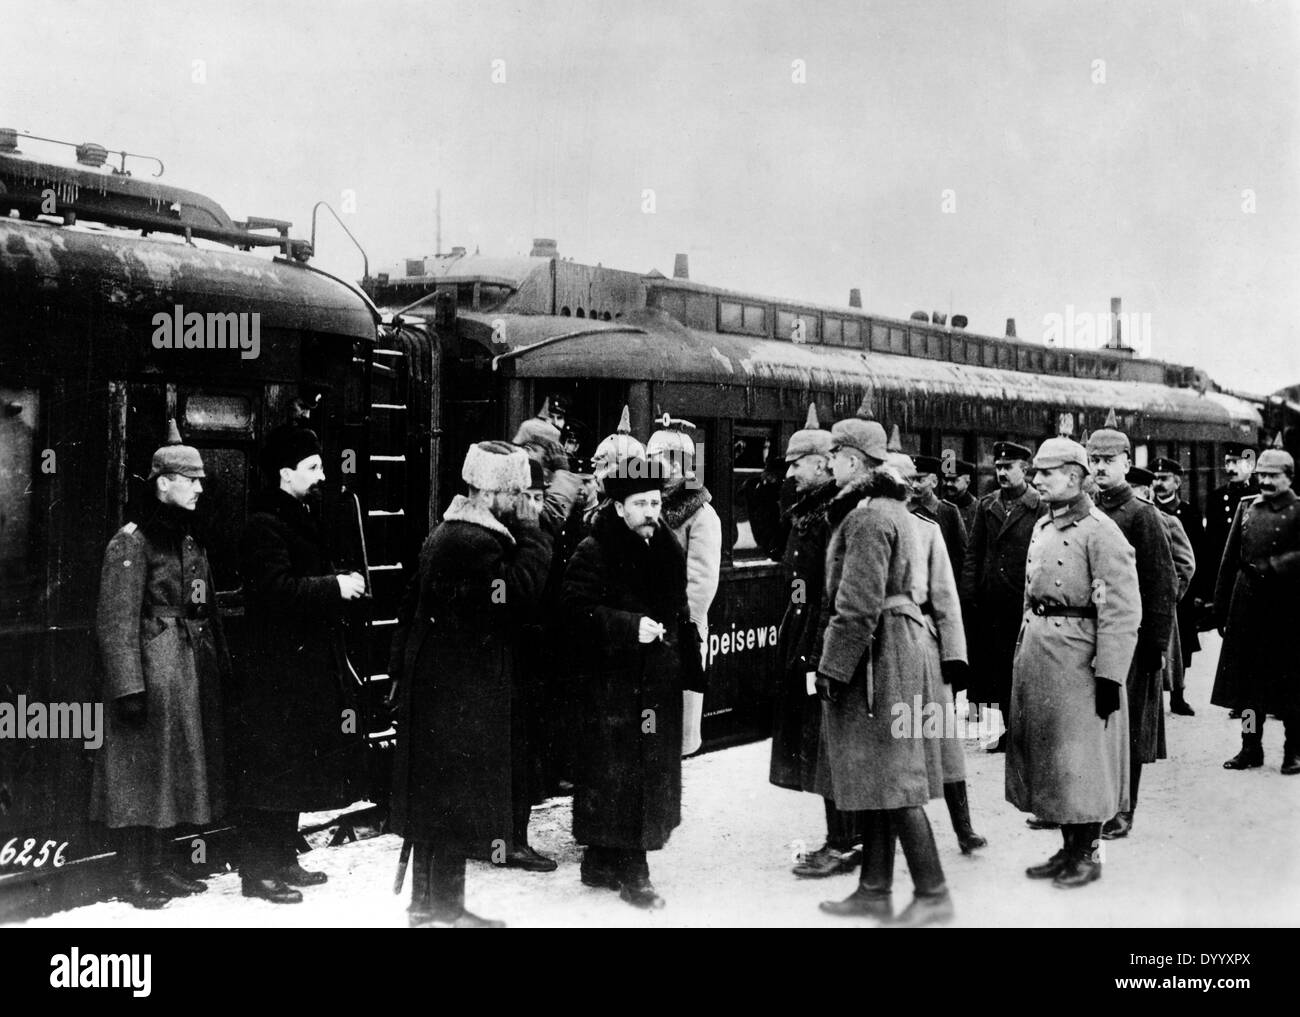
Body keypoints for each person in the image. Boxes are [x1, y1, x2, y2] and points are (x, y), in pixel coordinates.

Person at [389, 441, 554, 926]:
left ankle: (430, 907)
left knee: (438, 804)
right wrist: (532, 532)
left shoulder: (452, 533)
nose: (521, 500)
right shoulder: (472, 541)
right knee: (451, 802)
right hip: (458, 693)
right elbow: (515, 593)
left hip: (444, 688)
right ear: (486, 491)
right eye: (514, 492)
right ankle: (442, 910)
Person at [814, 418, 951, 927]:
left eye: (835, 455)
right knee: (881, 778)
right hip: (895, 647)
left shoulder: (867, 518)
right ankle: (874, 889)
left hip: (879, 657)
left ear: (853, 461)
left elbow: (857, 605)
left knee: (894, 780)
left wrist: (832, 667)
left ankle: (933, 894)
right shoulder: (890, 508)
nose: (829, 464)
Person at [91, 421, 229, 909]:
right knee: (138, 775)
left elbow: (202, 604)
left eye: (200, 479)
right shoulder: (133, 540)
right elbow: (116, 620)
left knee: (174, 772)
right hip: (151, 670)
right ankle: (133, 875)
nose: (199, 487)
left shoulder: (185, 537)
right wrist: (128, 687)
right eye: (190, 479)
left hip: (184, 668)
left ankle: (163, 867)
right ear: (163, 483)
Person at [231, 422, 367, 904]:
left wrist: (335, 581)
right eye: (312, 467)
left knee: (288, 766)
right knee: (269, 768)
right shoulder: (264, 524)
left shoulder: (296, 514)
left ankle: (282, 858)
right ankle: (258, 871)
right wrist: (334, 586)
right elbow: (273, 592)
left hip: (299, 668)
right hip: (275, 672)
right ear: (284, 473)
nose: (322, 475)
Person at [561, 457, 704, 909]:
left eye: (655, 502)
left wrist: (686, 662)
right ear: (619, 508)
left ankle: (603, 859)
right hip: (611, 687)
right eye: (640, 503)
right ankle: (633, 871)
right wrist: (627, 626)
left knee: (641, 771)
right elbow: (571, 612)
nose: (649, 511)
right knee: (622, 772)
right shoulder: (594, 549)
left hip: (655, 682)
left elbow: (680, 611)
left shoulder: (666, 548)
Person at [1007, 437, 1141, 889]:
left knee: (1083, 760)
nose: (1037, 479)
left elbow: (1121, 611)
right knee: (1053, 760)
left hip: (1080, 662)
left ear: (1073, 476)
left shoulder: (1100, 531)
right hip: (1042, 657)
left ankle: (1088, 852)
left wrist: (1109, 674)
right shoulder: (1044, 525)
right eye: (1036, 472)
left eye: (1046, 472)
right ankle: (1068, 848)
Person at [766, 406, 860, 877]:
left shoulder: (831, 515)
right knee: (821, 739)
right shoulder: (812, 511)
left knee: (829, 741)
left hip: (820, 637)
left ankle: (844, 843)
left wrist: (817, 648)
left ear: (823, 463)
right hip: (805, 632)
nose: (790, 472)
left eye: (796, 463)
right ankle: (846, 838)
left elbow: (834, 589)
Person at [890, 453, 986, 854]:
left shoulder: (926, 530)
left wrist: (954, 658)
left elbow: (946, 598)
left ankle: (963, 828)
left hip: (923, 648)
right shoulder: (857, 527)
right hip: (880, 652)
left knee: (941, 740)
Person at [1086, 416, 1176, 842]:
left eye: (1109, 460)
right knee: (1092, 722)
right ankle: (1089, 805)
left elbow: (1163, 583)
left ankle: (1124, 809)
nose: (1101, 467)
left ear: (1126, 462)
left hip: (1133, 639)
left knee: (1129, 728)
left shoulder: (1142, 516)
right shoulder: (1087, 510)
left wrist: (1156, 643)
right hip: (1091, 636)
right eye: (1094, 460)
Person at [1211, 449, 1300, 775]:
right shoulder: (1246, 507)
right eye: (1262, 475)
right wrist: (1221, 607)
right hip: (1246, 605)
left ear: (1289, 477)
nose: (1265, 481)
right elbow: (1229, 558)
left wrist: (1277, 566)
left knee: (1289, 685)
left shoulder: (1298, 510)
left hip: (1286, 608)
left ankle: (1294, 750)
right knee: (1247, 688)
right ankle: (1250, 747)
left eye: (1273, 476)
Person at [960, 441, 1043, 757]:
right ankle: (1005, 730)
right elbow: (974, 552)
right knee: (994, 669)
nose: (1002, 473)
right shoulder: (986, 505)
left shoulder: (1039, 506)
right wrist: (969, 592)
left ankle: (1020, 733)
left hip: (1020, 603)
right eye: (998, 467)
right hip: (990, 602)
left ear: (1025, 469)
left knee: (1019, 670)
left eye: (1008, 467)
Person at [645, 416, 721, 757]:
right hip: (649, 621)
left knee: (676, 720)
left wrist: (675, 621)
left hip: (680, 626)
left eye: (665, 458)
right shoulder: (649, 503)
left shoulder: (702, 514)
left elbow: (701, 581)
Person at [1130, 466, 1197, 719]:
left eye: (1135, 490)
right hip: (1129, 603)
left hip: (1158, 604)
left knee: (1167, 658)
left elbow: (1186, 563)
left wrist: (1171, 594)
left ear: (1145, 491)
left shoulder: (1168, 521)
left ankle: (1177, 697)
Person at [1151, 457, 1204, 713]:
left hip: (1182, 591)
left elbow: (1197, 556)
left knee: (1182, 644)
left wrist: (1197, 593)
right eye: (1156, 479)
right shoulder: (1148, 511)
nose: (1158, 484)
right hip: (1159, 589)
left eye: (1164, 479)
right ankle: (1158, 696)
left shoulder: (1188, 513)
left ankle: (1178, 696)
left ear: (1177, 482)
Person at [1203, 443, 1258, 620]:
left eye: (1236, 462)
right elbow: (1210, 546)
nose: (1230, 468)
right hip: (1227, 580)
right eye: (1227, 463)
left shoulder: (1259, 497)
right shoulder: (1216, 499)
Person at [909, 455, 967, 578]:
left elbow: (961, 556)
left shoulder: (948, 512)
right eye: (911, 480)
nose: (914, 485)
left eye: (920, 480)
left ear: (934, 482)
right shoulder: (902, 510)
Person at [943, 459, 980, 535]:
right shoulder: (940, 507)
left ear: (967, 482)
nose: (948, 484)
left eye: (954, 480)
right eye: (946, 480)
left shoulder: (978, 509)